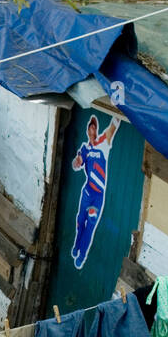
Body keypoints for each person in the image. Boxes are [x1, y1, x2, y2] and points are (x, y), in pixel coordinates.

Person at [70, 115, 120, 270]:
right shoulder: (85, 148)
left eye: (94, 126)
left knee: (90, 226)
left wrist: (117, 110)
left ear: (96, 130)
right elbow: (76, 164)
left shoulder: (103, 142)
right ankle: (77, 245)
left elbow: (113, 126)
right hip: (87, 191)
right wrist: (76, 162)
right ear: (87, 130)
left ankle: (82, 256)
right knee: (80, 220)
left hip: (98, 196)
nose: (92, 128)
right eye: (90, 126)